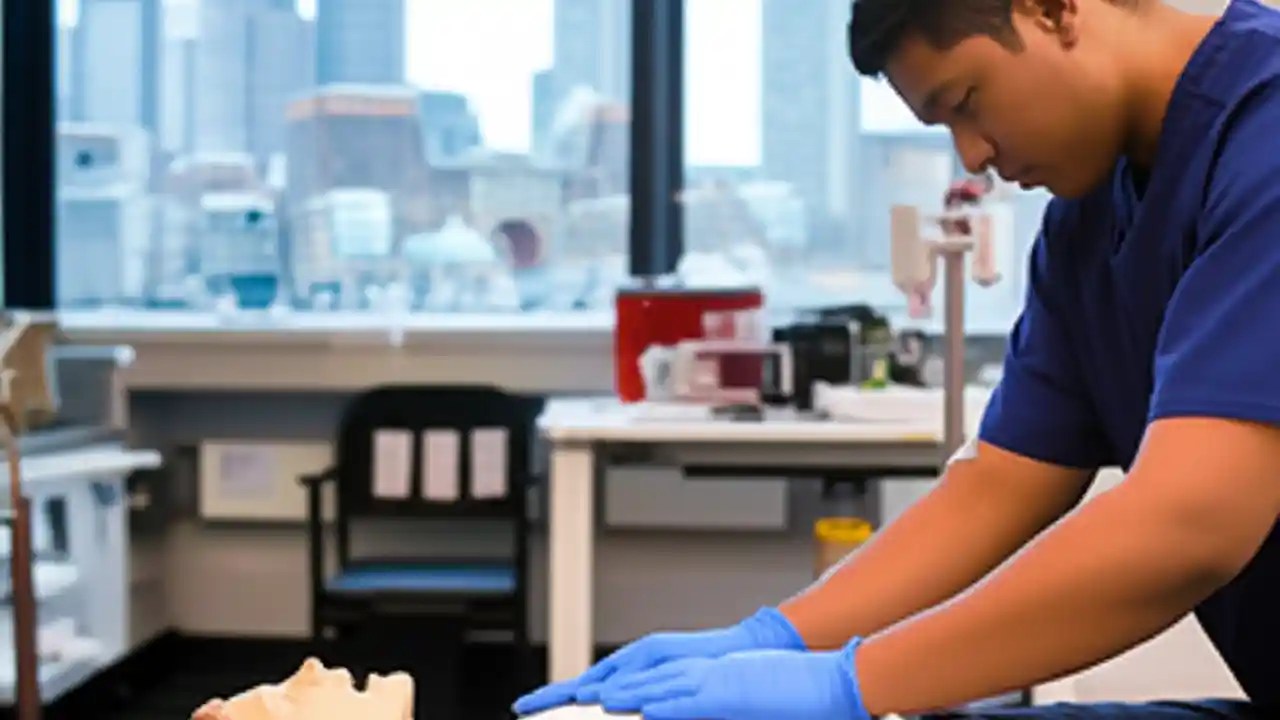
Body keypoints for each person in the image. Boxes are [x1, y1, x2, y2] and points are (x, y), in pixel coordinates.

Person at [513, 0, 1280, 717]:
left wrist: (851, 684)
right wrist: (779, 638)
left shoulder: (1266, 135)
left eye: (967, 101)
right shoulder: (1087, 221)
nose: (973, 156)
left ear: (1051, 9)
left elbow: (1189, 524)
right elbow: (1000, 486)